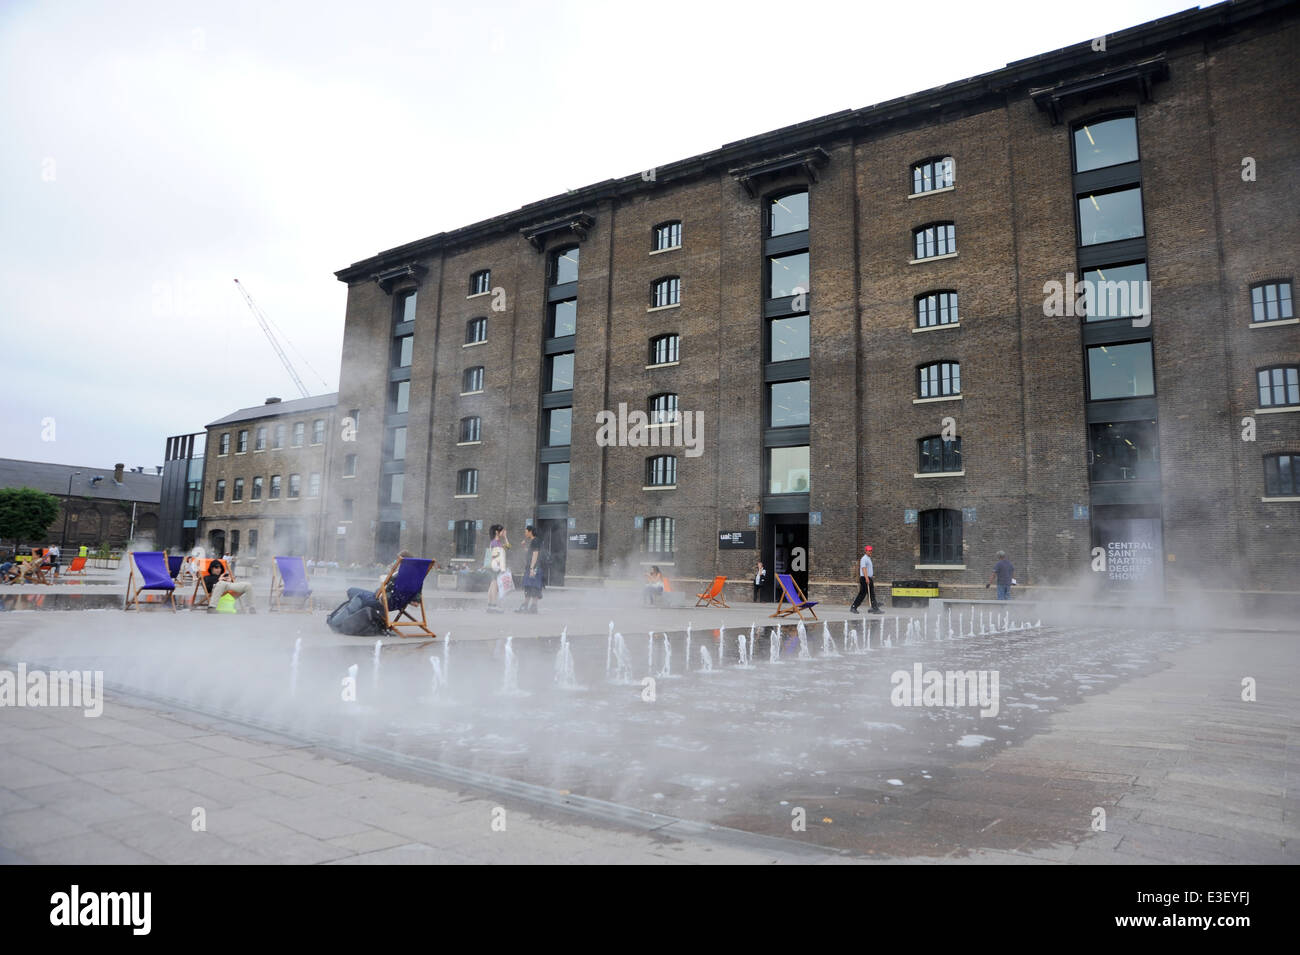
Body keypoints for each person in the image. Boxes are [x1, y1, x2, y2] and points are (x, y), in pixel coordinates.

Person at [516, 525, 544, 614]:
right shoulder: (535, 541)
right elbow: (530, 553)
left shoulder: (535, 541)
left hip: (533, 568)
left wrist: (532, 568)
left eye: (526, 531)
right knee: (534, 586)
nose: (525, 533)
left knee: (529, 586)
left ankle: (526, 606)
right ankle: (533, 607)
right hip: (536, 567)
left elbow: (535, 554)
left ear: (530, 531)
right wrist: (524, 547)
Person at [850, 544, 884, 614]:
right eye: (869, 551)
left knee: (872, 594)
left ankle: (874, 608)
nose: (870, 552)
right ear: (866, 551)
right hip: (865, 578)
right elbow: (864, 568)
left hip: (869, 578)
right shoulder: (864, 558)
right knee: (862, 594)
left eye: (871, 551)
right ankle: (853, 607)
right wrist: (866, 578)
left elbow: (868, 569)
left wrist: (870, 577)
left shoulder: (868, 558)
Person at [485, 525, 510, 613]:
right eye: (502, 531)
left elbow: (508, 547)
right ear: (497, 532)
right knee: (494, 585)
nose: (503, 533)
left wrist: (505, 537)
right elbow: (498, 556)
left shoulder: (496, 542)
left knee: (492, 585)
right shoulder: (495, 542)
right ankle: (493, 605)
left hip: (493, 566)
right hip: (496, 566)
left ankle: (490, 605)